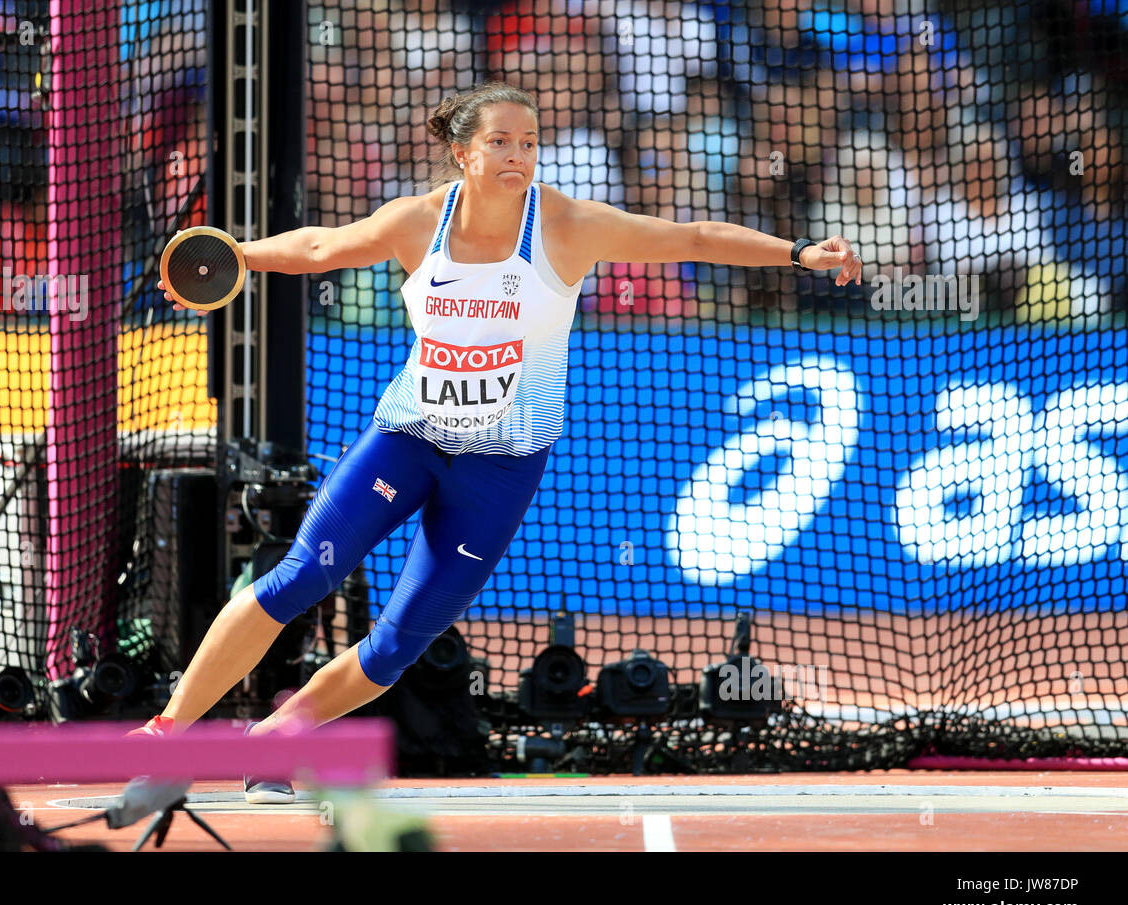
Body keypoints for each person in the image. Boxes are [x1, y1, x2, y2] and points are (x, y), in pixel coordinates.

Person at [132, 82, 862, 802]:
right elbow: (324, 245)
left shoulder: (568, 227)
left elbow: (690, 238)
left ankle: (276, 741)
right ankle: (164, 735)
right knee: (299, 580)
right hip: (408, 441)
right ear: (462, 153)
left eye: (529, 142)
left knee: (396, 647)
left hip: (502, 469)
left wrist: (799, 254)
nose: (519, 155)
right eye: (500, 141)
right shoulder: (419, 221)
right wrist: (237, 255)